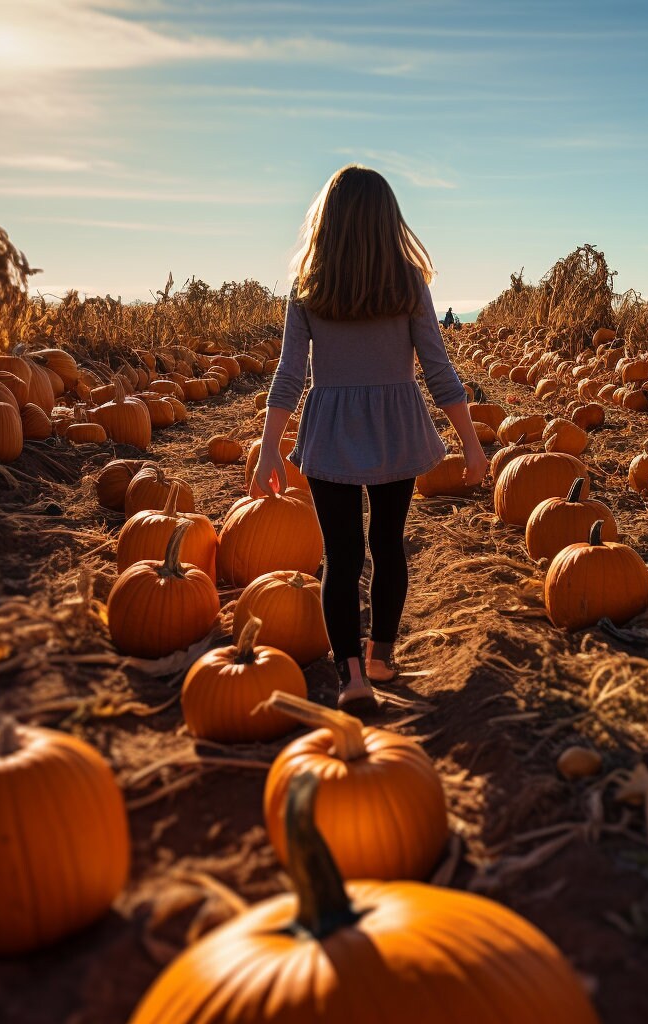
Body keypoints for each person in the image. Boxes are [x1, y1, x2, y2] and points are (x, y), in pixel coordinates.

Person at [251, 164, 487, 711]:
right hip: (394, 429)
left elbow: (289, 375)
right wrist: (471, 443)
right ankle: (381, 654)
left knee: (340, 555)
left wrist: (269, 448)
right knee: (387, 544)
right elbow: (437, 368)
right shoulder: (407, 284)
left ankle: (352, 675)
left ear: (326, 220)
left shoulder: (309, 287)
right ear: (389, 220)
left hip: (330, 429)